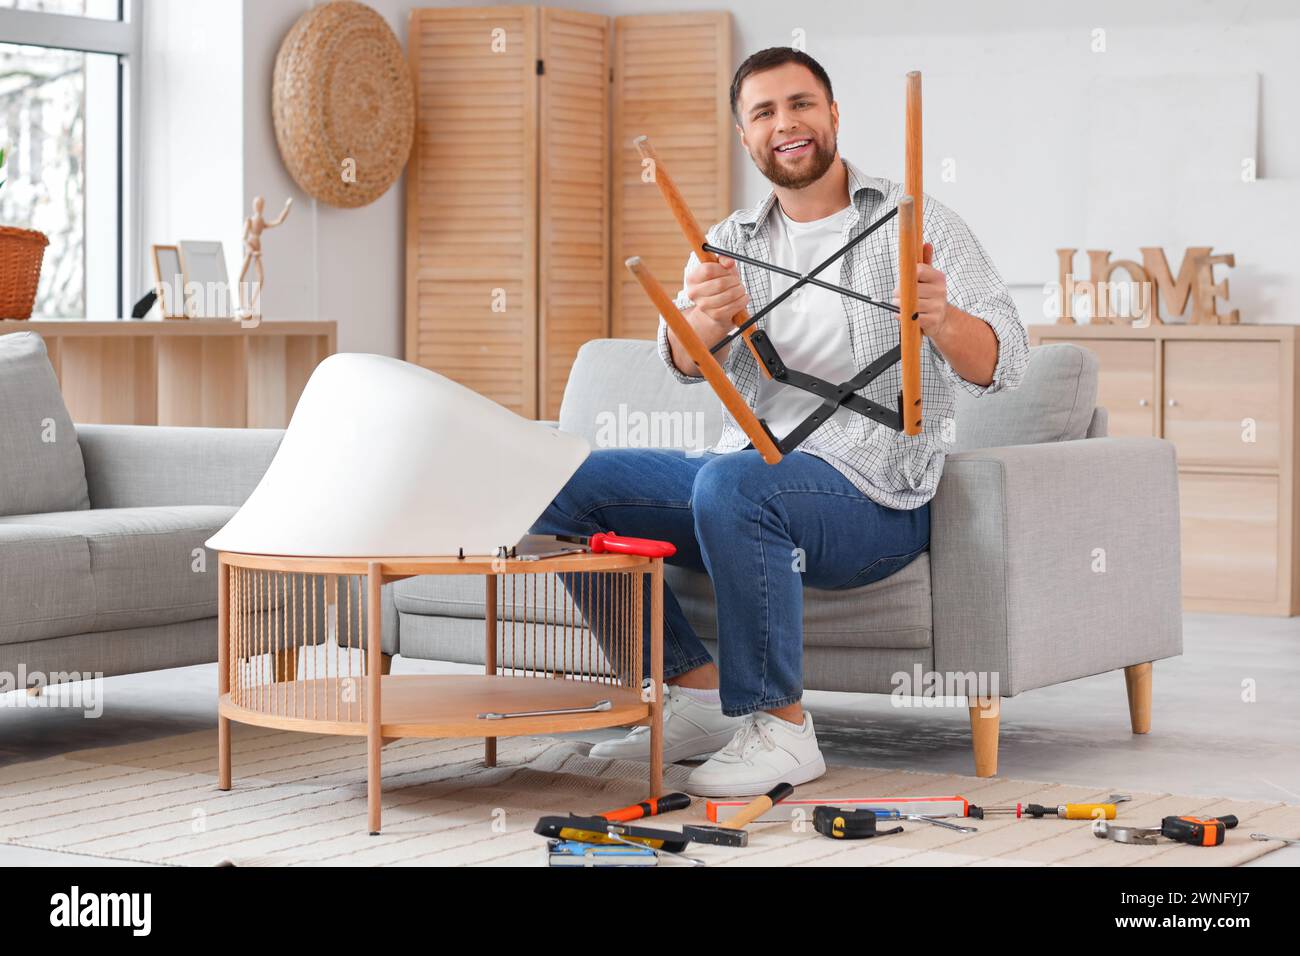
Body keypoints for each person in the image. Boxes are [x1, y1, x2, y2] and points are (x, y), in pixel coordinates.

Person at [531, 47, 1028, 797]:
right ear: (745, 136)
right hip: (748, 477)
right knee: (558, 481)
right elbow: (681, 361)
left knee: (735, 484)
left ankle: (784, 729)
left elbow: (1007, 361)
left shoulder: (916, 220)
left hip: (875, 498)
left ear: (833, 116)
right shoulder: (731, 242)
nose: (785, 124)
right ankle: (696, 694)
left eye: (801, 104)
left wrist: (943, 318)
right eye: (764, 112)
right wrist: (698, 321)